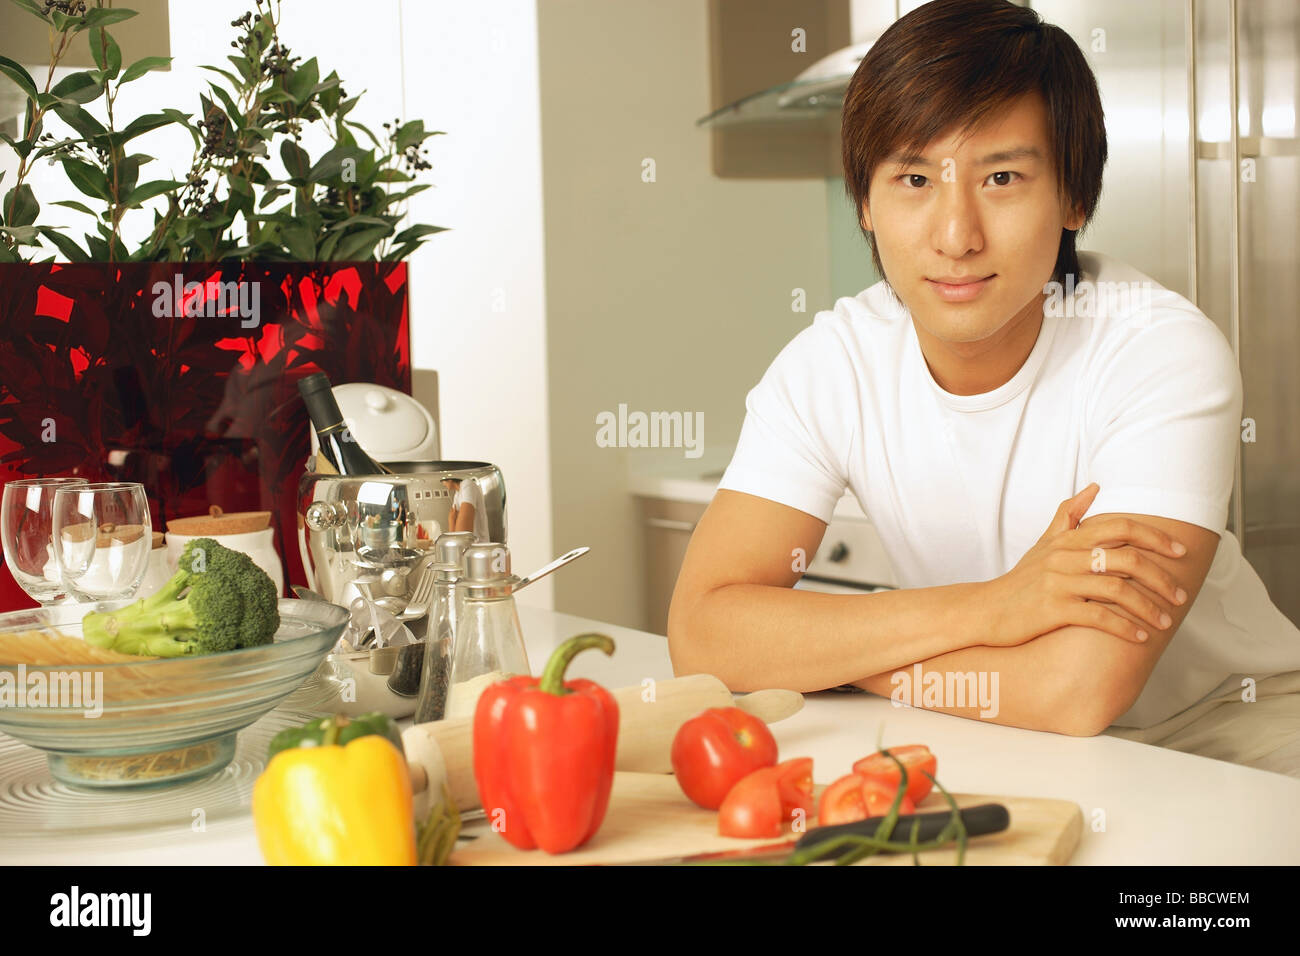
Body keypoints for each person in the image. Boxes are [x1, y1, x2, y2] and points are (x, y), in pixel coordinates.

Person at [668, 0, 1300, 777]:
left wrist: (823, 654)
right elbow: (701, 633)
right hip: (1001, 734)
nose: (956, 234)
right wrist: (995, 606)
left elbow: (1076, 690)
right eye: (912, 178)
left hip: (1228, 741)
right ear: (865, 203)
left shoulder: (1157, 351)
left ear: (1075, 198)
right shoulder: (833, 363)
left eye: (1001, 176)